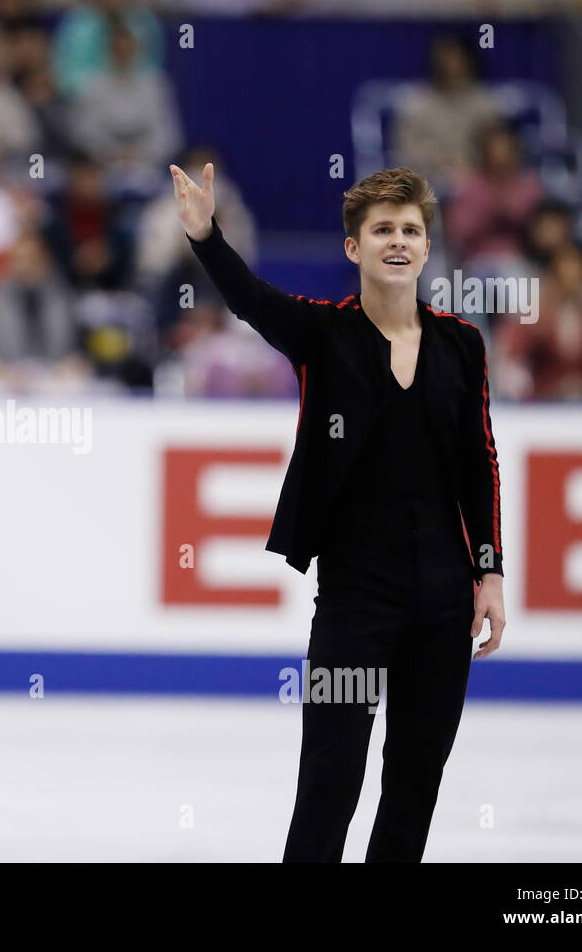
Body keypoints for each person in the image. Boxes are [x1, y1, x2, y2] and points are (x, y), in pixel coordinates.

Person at [170, 161, 506, 862]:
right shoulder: (322, 335)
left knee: (415, 781)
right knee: (331, 775)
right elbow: (249, 299)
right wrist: (206, 235)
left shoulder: (462, 344)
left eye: (411, 230)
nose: (398, 241)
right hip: (356, 596)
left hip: (444, 599)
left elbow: (480, 462)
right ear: (354, 247)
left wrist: (491, 574)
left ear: (426, 246)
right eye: (382, 229)